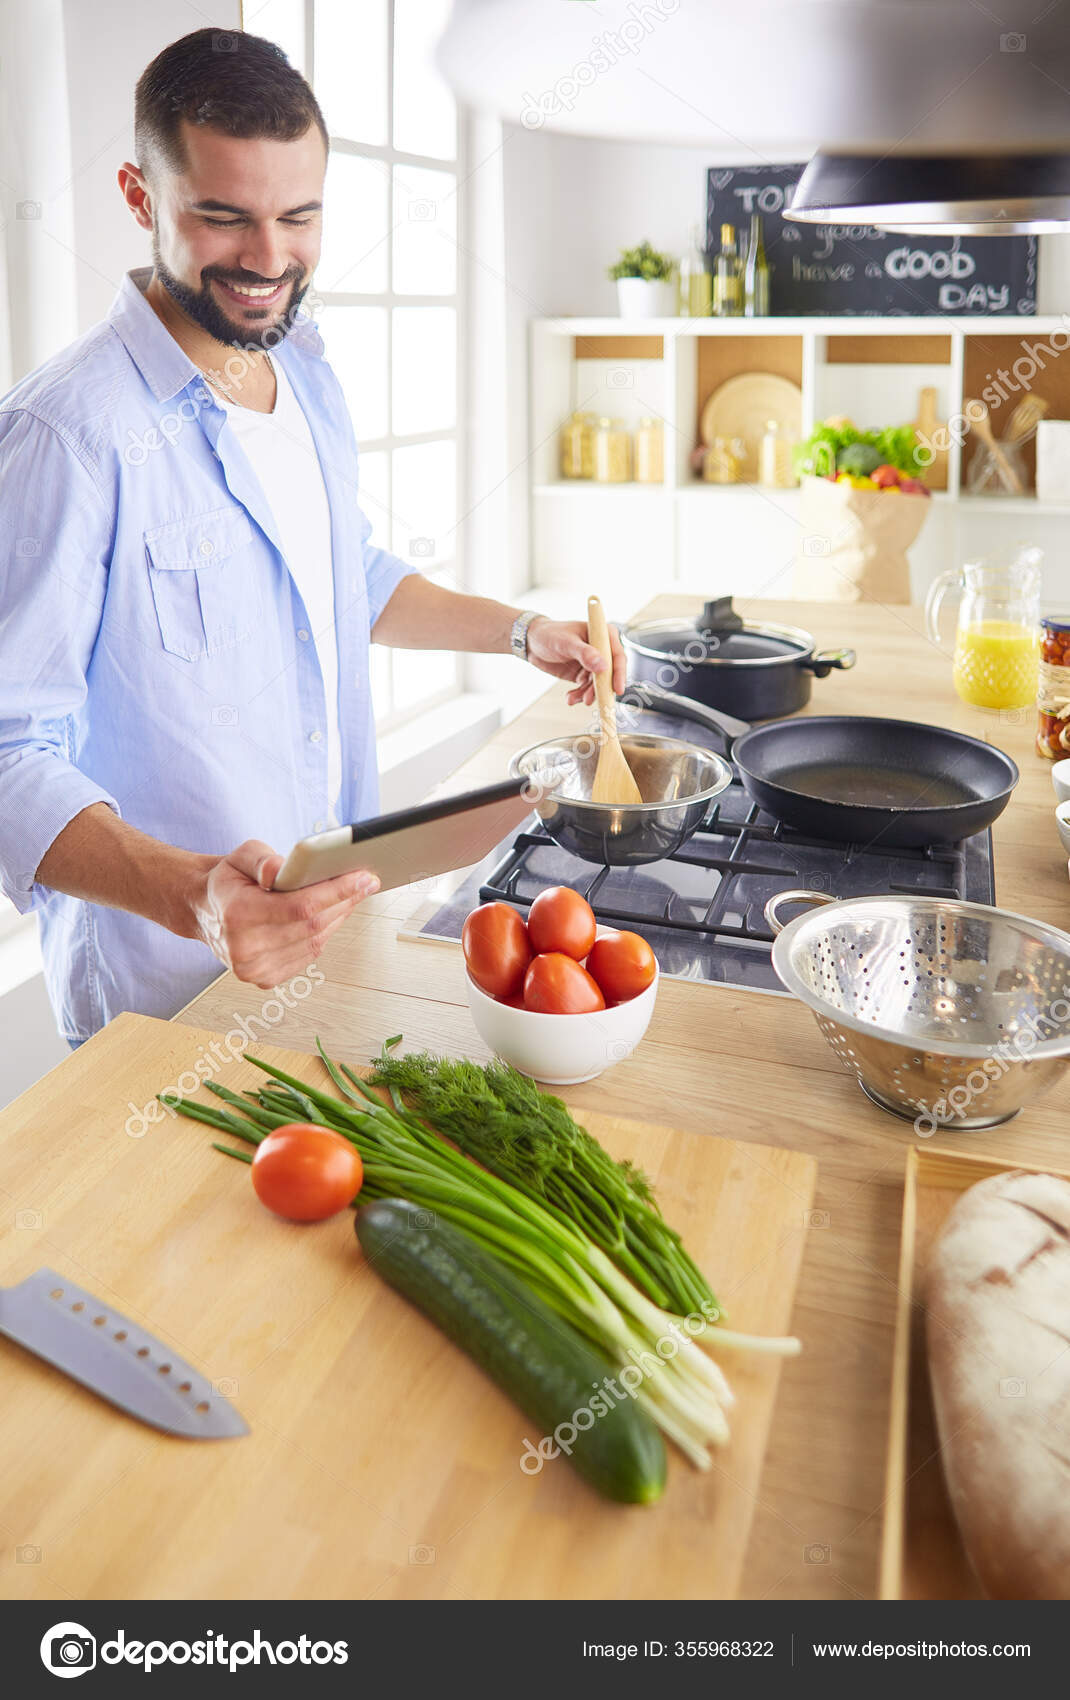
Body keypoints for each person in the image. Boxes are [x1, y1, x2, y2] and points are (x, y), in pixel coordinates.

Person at [0, 27, 626, 1047]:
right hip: (166, 994)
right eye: (223, 217)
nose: (268, 258)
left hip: (339, 937)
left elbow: (347, 579)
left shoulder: (308, 370)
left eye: (298, 216)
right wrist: (198, 897)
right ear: (137, 194)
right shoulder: (67, 437)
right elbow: (7, 752)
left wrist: (522, 633)